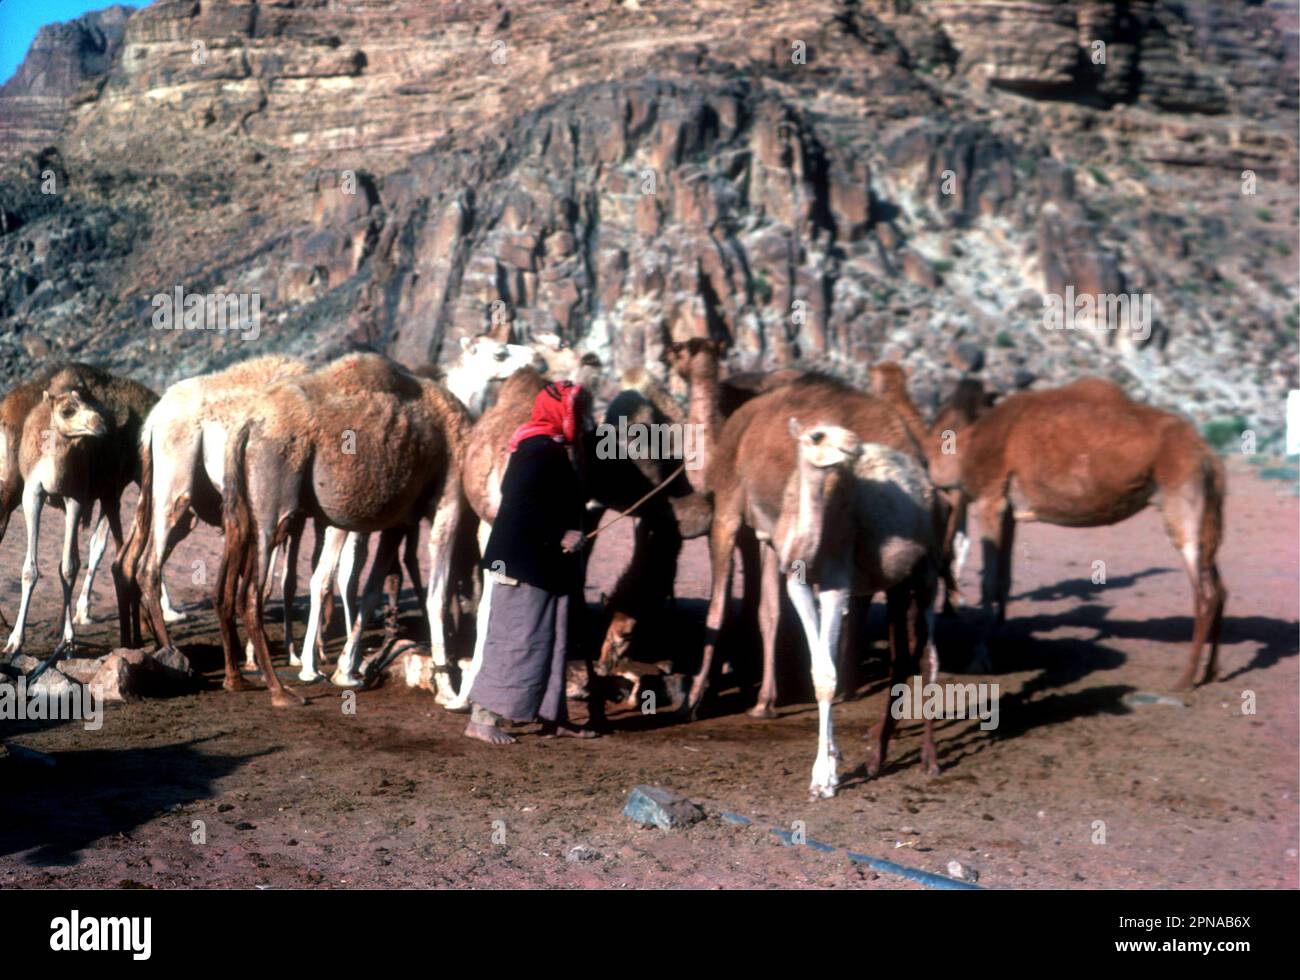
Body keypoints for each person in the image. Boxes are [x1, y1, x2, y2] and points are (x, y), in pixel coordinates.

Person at [464, 379, 599, 745]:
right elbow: (517, 507)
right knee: (515, 639)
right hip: (523, 564)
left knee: (552, 640)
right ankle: (481, 718)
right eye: (579, 411)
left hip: (546, 565)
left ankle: (554, 716)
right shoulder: (537, 450)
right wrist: (560, 534)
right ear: (562, 412)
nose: (584, 418)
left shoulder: (551, 448)